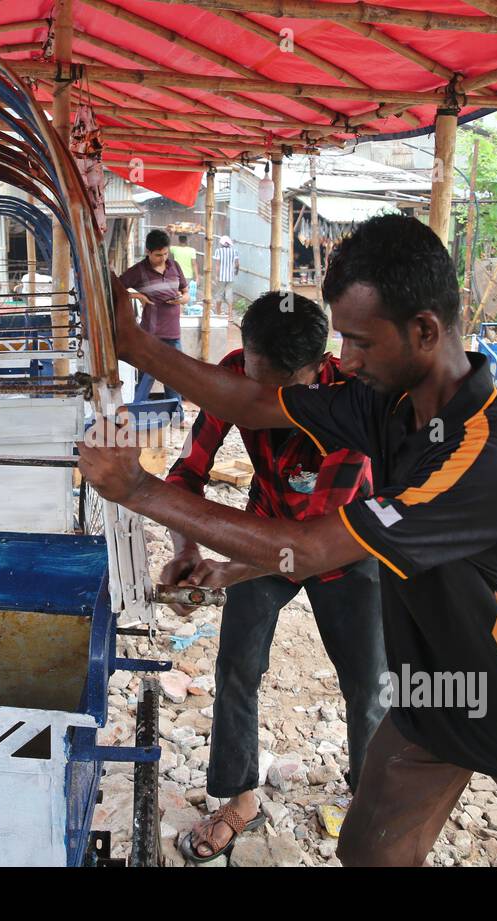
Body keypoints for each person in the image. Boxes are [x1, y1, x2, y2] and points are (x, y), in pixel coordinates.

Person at [81, 214, 497, 867]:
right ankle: (239, 798)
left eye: (359, 342)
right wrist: (134, 344)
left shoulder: (488, 449)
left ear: (425, 331)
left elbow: (313, 549)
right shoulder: (392, 404)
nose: (345, 361)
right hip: (436, 697)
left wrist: (139, 490)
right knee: (371, 854)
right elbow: (253, 404)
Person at [165, 291, 385, 863]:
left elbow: (310, 546)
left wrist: (226, 572)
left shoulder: (350, 407)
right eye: (254, 382)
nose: (259, 399)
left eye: (276, 390)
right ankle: (241, 800)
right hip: (264, 529)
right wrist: (187, 550)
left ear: (316, 368)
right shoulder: (235, 375)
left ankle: (370, 802)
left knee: (368, 685)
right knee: (237, 668)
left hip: (344, 545)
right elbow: (186, 474)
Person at [120, 228, 189, 421]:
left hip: (173, 333)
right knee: (147, 375)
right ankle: (134, 415)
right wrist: (137, 295)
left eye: (165, 254)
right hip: (150, 334)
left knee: (174, 375)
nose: (163, 258)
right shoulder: (139, 271)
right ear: (148, 252)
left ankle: (177, 415)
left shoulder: (174, 266)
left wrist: (182, 299)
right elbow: (115, 287)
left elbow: (186, 291)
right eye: (158, 255)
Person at [212, 235, 239, 316]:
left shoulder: (218, 251)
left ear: (221, 243)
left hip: (221, 277)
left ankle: (218, 313)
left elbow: (217, 265)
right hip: (230, 276)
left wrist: (216, 276)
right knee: (229, 294)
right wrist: (236, 271)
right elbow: (237, 264)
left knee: (219, 294)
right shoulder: (234, 251)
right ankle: (230, 314)